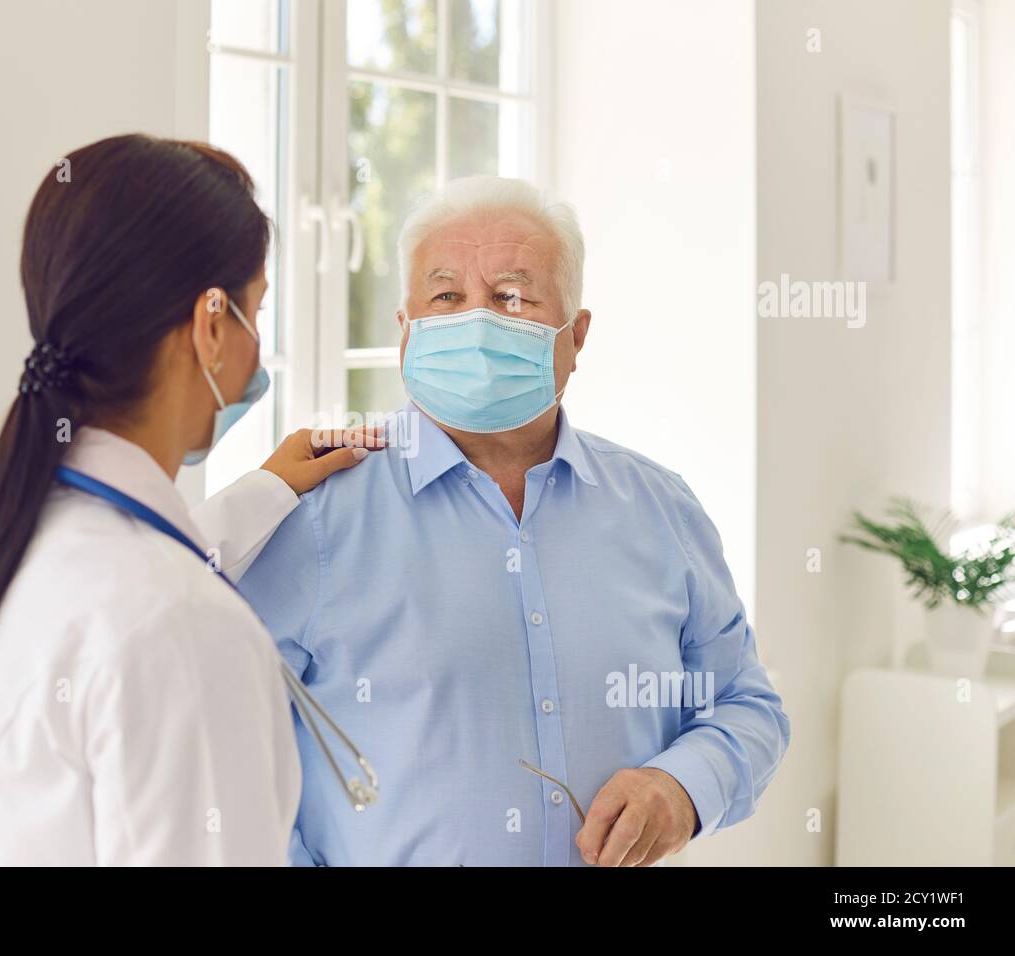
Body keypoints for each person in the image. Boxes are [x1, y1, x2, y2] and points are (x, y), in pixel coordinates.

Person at [238, 175, 791, 866]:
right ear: (404, 330)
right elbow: (228, 758)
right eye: (446, 296)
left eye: (513, 297)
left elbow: (745, 701)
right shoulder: (314, 516)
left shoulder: (661, 509)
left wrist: (683, 789)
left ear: (577, 335)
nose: (477, 321)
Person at [0, 134, 380, 866]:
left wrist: (268, 489)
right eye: (257, 310)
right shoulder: (187, 624)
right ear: (211, 326)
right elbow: (150, 608)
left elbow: (117, 580)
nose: (258, 348)